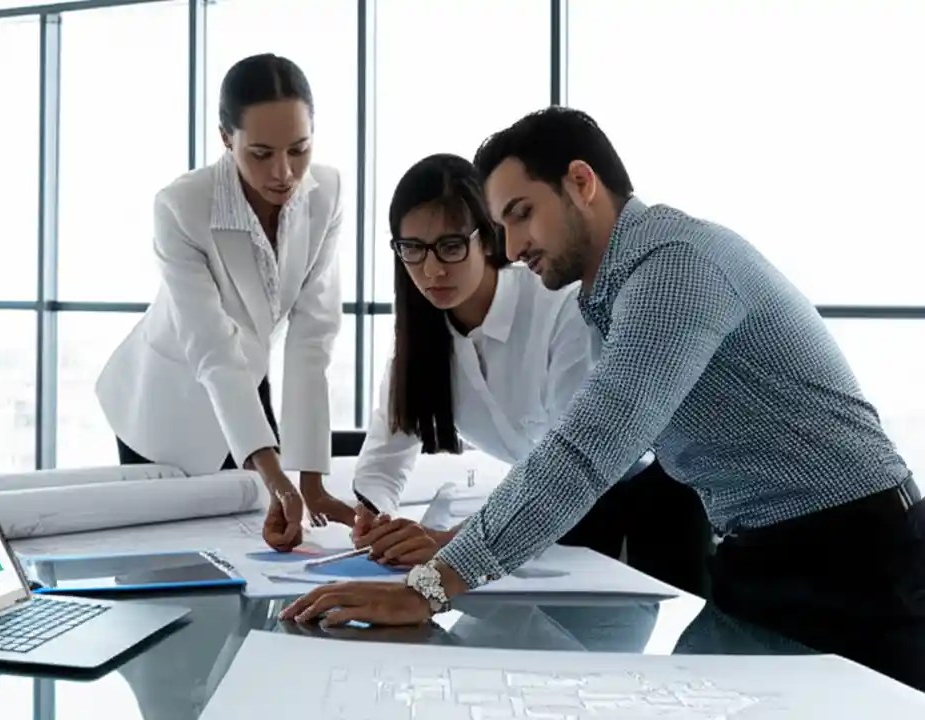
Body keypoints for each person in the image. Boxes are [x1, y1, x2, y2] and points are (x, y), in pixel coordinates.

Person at [281, 106, 925, 691]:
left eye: (521, 214)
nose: (510, 248)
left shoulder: (673, 267)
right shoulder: (609, 293)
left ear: (581, 183)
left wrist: (432, 585)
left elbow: (588, 448)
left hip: (858, 556)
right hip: (757, 553)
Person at [303, 153, 711, 595]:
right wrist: (373, 515)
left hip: (643, 494)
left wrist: (449, 543)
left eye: (452, 246)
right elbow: (388, 453)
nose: (432, 269)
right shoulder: (421, 342)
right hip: (546, 502)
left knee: (673, 646)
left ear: (488, 238)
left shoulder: (558, 305)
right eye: (413, 250)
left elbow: (569, 456)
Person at [96, 54, 343, 553]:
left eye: (300, 149)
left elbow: (312, 337)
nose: (284, 172)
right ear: (226, 138)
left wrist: (311, 479)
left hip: (247, 390)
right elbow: (212, 347)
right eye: (260, 153)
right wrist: (277, 476)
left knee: (255, 554)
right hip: (166, 405)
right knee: (171, 566)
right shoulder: (181, 206)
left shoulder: (327, 194)